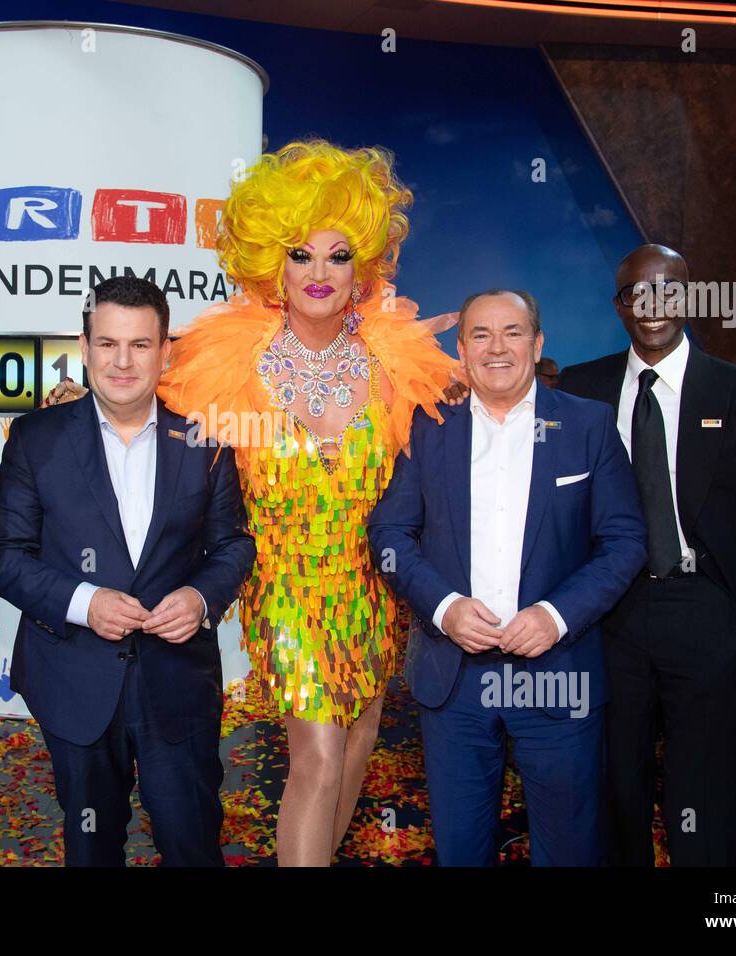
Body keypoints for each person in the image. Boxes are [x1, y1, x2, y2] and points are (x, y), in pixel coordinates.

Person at [43, 140, 465, 865]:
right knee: (319, 754)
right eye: (302, 254)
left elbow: (447, 435)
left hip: (375, 587)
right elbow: (143, 394)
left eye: (339, 255)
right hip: (286, 586)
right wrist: (84, 400)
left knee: (359, 741)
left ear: (363, 261)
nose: (321, 273)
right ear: (272, 260)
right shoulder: (228, 354)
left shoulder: (399, 359)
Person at [0, 276, 256, 866]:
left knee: (192, 845)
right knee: (92, 849)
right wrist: (83, 601)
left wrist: (201, 599)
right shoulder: (35, 438)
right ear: (84, 347)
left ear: (165, 351)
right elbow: (0, 552)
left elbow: (233, 546)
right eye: (107, 344)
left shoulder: (206, 441)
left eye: (139, 345)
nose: (122, 362)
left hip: (177, 686)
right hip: (74, 682)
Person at [558, 243, 736, 866]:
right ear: (618, 305)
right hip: (610, 614)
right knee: (615, 781)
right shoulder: (581, 390)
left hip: (710, 616)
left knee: (706, 791)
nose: (652, 307)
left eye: (667, 291)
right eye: (635, 295)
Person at [369, 290, 645, 865]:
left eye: (513, 332)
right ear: (462, 349)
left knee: (570, 846)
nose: (498, 347)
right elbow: (390, 535)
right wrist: (444, 608)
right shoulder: (427, 428)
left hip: (558, 675)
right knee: (461, 847)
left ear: (537, 343)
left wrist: (555, 615)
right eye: (481, 335)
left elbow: (624, 541)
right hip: (454, 679)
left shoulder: (588, 425)